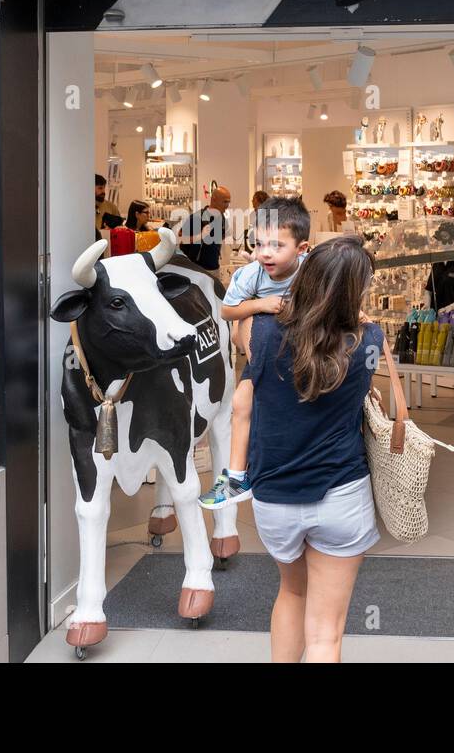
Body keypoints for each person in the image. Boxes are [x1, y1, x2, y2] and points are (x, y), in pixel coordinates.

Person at [241, 236, 382, 662]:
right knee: (325, 636)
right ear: (356, 291)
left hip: (274, 495)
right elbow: (364, 385)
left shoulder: (262, 332)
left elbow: (243, 319)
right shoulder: (370, 338)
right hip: (341, 492)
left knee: (291, 590)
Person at [199, 197, 310, 509]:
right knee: (241, 402)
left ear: (301, 249)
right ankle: (236, 477)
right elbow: (227, 311)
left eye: (276, 245)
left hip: (304, 348)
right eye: (259, 244)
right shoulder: (250, 275)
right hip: (264, 351)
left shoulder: (311, 270)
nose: (265, 253)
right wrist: (261, 305)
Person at [179, 185, 232, 274]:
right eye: (225, 202)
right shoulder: (197, 217)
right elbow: (182, 238)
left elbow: (221, 237)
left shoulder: (222, 218)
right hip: (197, 271)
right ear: (214, 199)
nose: (227, 206)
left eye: (228, 202)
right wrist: (200, 236)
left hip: (214, 268)